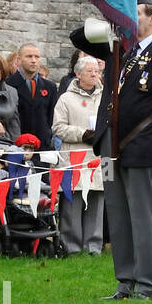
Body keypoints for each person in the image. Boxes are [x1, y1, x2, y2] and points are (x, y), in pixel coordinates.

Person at [70, 0, 152, 300]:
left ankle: (146, 285)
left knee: (142, 215)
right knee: (118, 214)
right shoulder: (117, 47)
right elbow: (76, 36)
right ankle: (125, 281)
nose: (130, 17)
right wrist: (112, 21)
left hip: (141, 144)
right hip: (109, 144)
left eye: (134, 12)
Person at [51, 56, 105, 255]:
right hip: (73, 156)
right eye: (90, 71)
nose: (94, 74)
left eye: (97, 71)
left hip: (99, 157)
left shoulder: (106, 97)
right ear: (78, 74)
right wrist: (82, 134)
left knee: (97, 200)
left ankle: (93, 246)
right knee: (72, 202)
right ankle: (70, 246)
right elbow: (58, 127)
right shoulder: (66, 98)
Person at [6, 43, 58, 152]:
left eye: (37, 57)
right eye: (29, 56)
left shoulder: (50, 87)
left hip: (42, 146)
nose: (34, 60)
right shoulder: (7, 85)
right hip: (16, 146)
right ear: (19, 60)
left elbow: (51, 117)